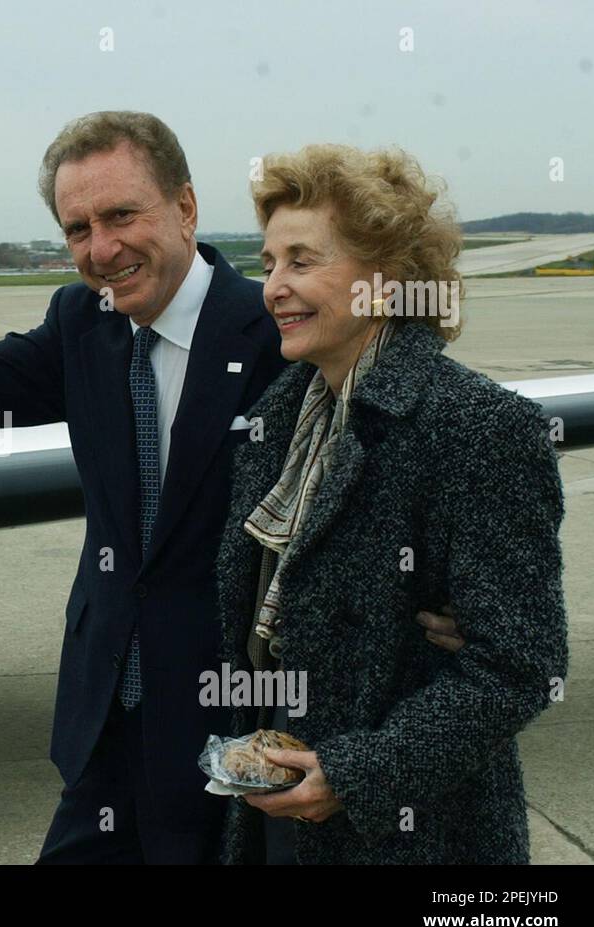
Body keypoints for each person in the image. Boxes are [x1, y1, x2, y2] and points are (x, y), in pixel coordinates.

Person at [0, 114, 461, 864]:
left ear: (184, 208)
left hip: (235, 721)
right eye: (77, 228)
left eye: (120, 215)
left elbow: (397, 461)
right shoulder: (83, 321)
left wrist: (454, 591)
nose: (101, 249)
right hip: (106, 714)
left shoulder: (283, 324)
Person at [215, 143, 568, 864]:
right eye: (269, 263)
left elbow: (520, 666)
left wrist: (355, 775)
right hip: (281, 808)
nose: (272, 287)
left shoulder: (478, 428)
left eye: (302, 261)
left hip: (411, 830)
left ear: (384, 282)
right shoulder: (279, 421)